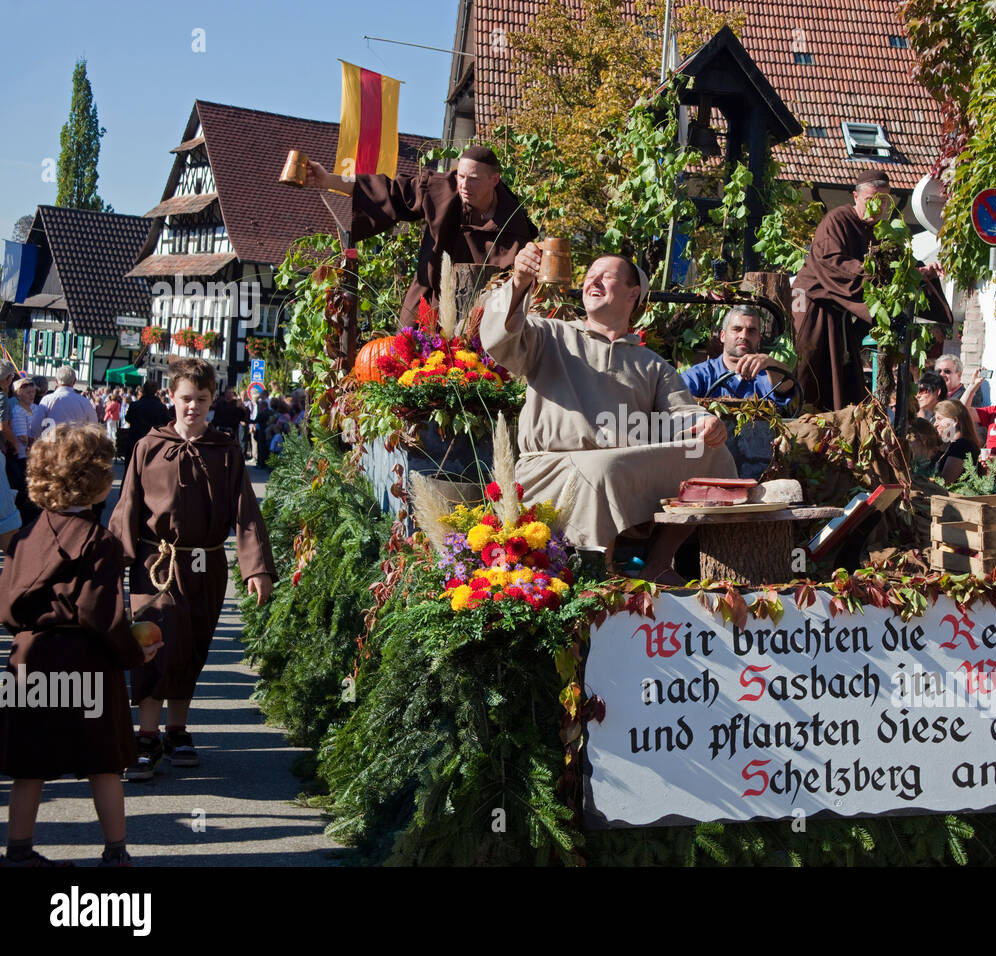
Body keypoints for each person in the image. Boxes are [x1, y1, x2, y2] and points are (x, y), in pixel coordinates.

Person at [480, 244, 734, 583]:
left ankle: (658, 563)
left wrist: (705, 424)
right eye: (589, 275)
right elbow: (499, 341)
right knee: (605, 468)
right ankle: (600, 576)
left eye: (606, 276)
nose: (592, 281)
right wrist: (521, 280)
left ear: (633, 294)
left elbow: (680, 415)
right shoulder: (550, 334)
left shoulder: (651, 364)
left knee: (713, 454)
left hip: (618, 466)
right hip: (550, 468)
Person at [0, 425, 161, 867]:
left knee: (29, 765)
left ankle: (18, 851)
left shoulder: (25, 538)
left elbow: (7, 607)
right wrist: (134, 653)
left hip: (29, 657)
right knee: (104, 761)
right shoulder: (100, 543)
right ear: (96, 479)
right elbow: (102, 616)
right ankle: (115, 852)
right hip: (85, 660)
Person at [109, 358, 276, 781]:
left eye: (201, 399)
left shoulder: (225, 450)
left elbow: (246, 512)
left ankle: (177, 730)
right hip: (156, 563)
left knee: (192, 647)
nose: (192, 407)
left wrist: (256, 568)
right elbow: (127, 506)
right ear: (171, 397)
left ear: (212, 399)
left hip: (206, 564)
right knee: (152, 643)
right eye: (185, 399)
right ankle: (145, 737)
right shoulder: (149, 446)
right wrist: (112, 565)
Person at [305, 146, 538, 326]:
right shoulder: (440, 189)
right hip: (428, 301)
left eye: (474, 179)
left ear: (494, 180)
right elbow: (388, 191)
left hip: (482, 317)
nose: (465, 185)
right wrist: (327, 180)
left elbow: (519, 284)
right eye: (461, 176)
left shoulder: (513, 224)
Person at [791, 173, 894, 411]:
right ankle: (796, 420)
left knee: (843, 374)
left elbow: (893, 263)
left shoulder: (879, 230)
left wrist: (919, 270)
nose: (878, 206)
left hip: (840, 311)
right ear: (856, 196)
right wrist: (874, 275)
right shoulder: (836, 219)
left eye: (885, 201)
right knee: (807, 363)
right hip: (810, 303)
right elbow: (831, 261)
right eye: (871, 199)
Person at [680, 305, 797, 412]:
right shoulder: (700, 375)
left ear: (758, 338)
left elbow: (787, 386)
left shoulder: (768, 375)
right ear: (723, 336)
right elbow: (677, 402)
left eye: (751, 331)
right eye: (737, 329)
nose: (744, 336)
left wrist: (770, 363)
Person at [7, 377, 42, 526]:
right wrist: (39, 439)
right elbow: (23, 437)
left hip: (36, 455)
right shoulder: (17, 410)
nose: (31, 395)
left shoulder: (36, 408)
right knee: (27, 492)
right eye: (28, 392)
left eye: (33, 392)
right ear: (19, 394)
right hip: (24, 457)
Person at [931, 399, 982, 484]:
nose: (935, 424)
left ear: (954, 421)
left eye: (939, 419)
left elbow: (945, 481)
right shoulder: (957, 444)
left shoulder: (961, 445)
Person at [38, 366, 98, 431]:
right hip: (76, 439)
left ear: (56, 381)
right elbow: (94, 426)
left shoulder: (47, 400)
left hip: (52, 439)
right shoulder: (85, 402)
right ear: (74, 381)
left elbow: (35, 429)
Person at [123, 380, 171, 459]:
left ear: (144, 390)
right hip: (154, 444)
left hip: (136, 442)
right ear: (156, 391)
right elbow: (167, 423)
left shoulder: (135, 405)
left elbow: (128, 418)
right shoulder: (161, 407)